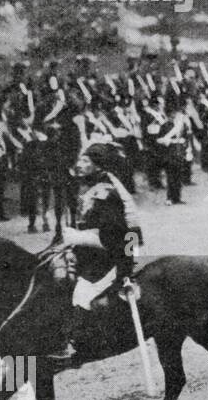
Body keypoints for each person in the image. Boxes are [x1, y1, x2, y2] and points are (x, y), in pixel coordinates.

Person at [53, 141, 142, 361]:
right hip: (94, 253)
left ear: (99, 166)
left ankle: (80, 346)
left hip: (116, 254)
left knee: (81, 294)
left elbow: (114, 235)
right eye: (80, 159)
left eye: (86, 161)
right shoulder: (91, 187)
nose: (79, 164)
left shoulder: (106, 191)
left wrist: (78, 237)